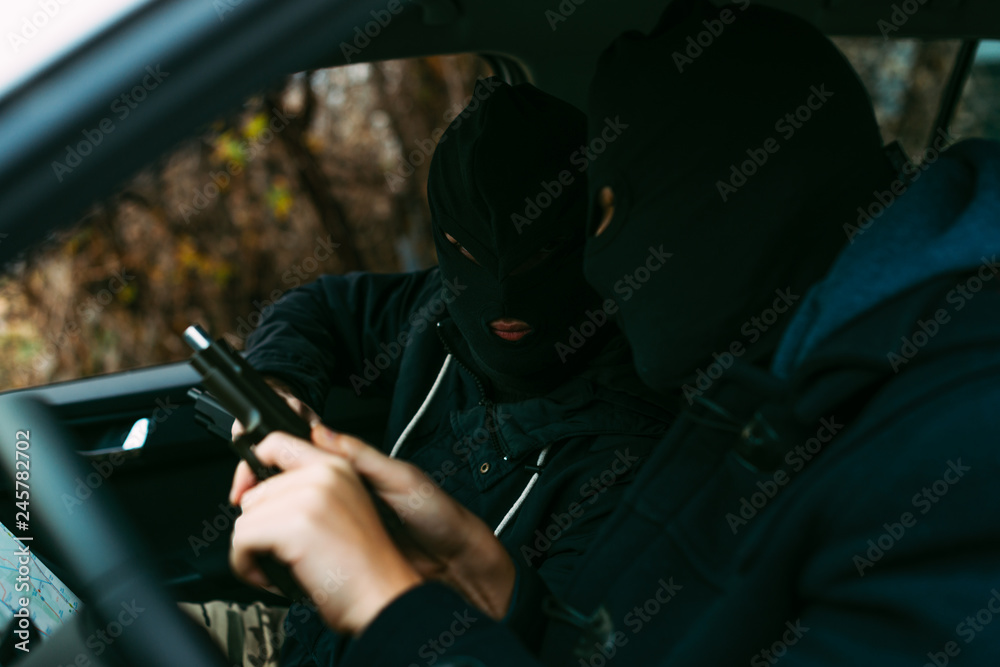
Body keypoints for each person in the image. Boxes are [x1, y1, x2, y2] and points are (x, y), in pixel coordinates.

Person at [229, 2, 1000, 665]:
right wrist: (510, 601)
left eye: (603, 216)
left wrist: (390, 608)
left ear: (730, 192)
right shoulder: (774, 387)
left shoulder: (957, 448)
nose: (602, 269)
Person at [194, 77, 672, 667]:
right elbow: (319, 309)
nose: (502, 299)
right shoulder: (437, 311)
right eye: (467, 253)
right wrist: (279, 388)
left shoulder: (627, 457)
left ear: (590, 235)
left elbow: (550, 650)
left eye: (541, 255)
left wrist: (373, 585)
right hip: (297, 636)